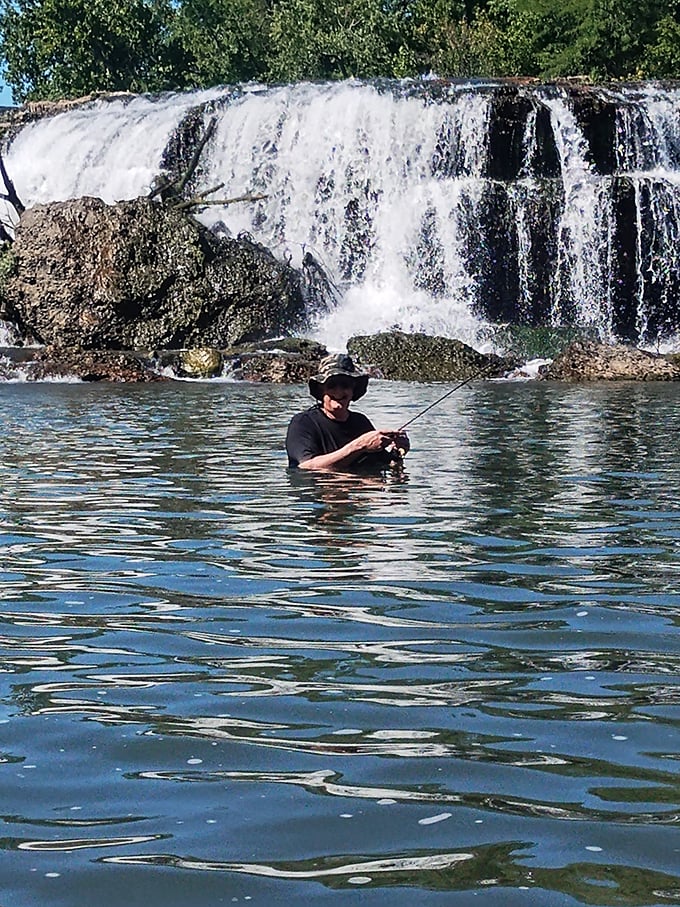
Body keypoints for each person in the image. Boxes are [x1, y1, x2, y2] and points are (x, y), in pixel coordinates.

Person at [286, 353, 410, 470]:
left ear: (353, 390)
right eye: (332, 385)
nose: (338, 392)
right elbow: (307, 466)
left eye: (345, 385)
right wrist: (359, 445)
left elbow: (383, 464)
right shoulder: (303, 423)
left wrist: (397, 452)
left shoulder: (360, 422)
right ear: (321, 390)